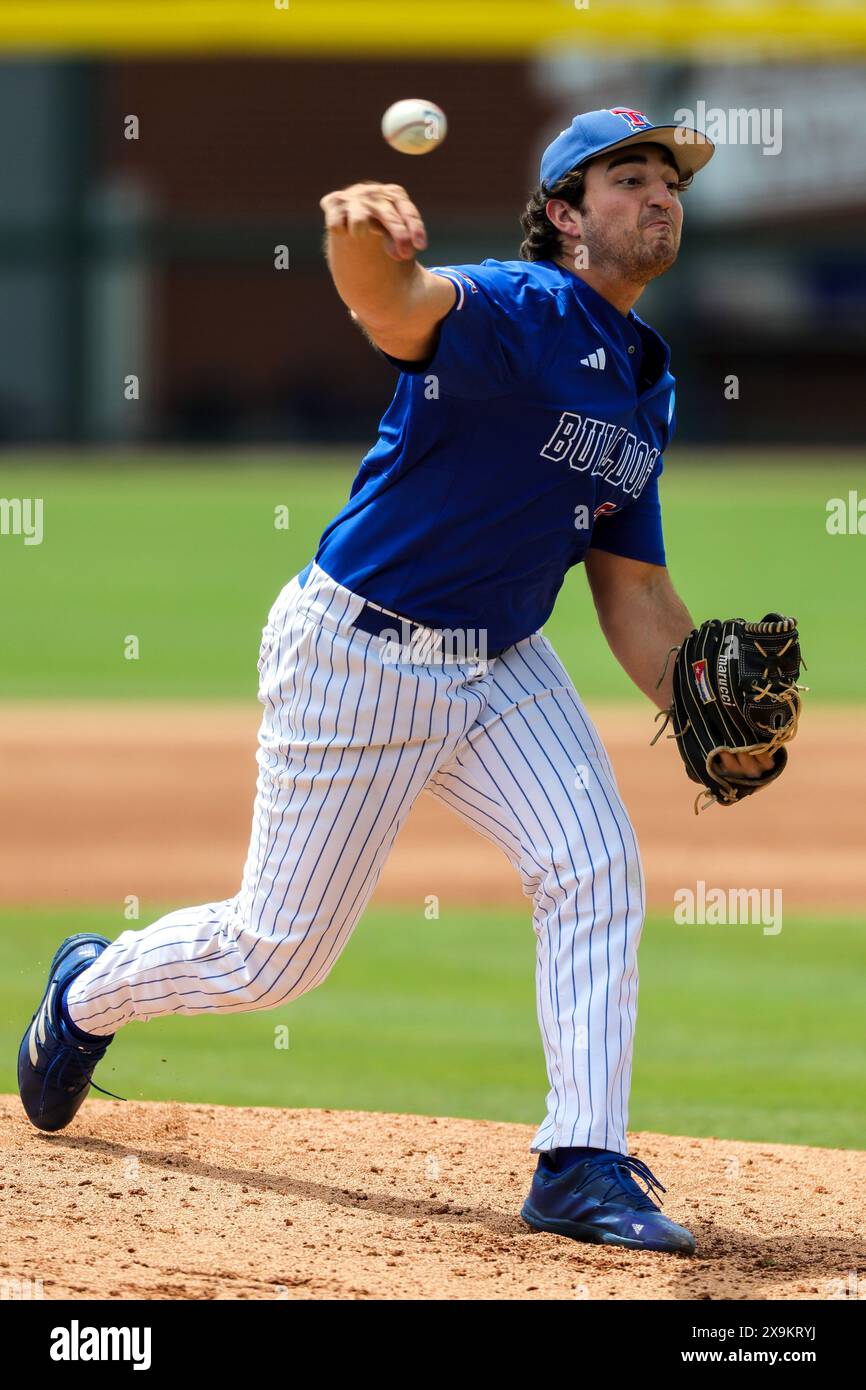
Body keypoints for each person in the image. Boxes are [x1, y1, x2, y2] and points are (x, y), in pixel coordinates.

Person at [19, 107, 769, 1256]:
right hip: (360, 652)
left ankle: (577, 1161)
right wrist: (358, 230)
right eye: (626, 178)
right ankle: (85, 992)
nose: (657, 196)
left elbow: (633, 599)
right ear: (562, 216)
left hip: (504, 659)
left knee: (594, 866)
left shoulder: (646, 382)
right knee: (277, 957)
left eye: (667, 180)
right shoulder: (517, 307)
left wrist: (707, 708)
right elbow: (390, 302)